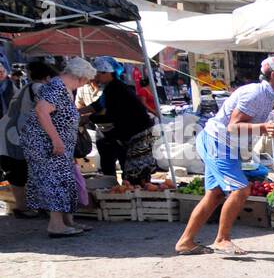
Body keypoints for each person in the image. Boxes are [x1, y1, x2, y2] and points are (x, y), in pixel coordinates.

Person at [175, 56, 274, 256]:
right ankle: (222, 240)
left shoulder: (266, 95)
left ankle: (185, 242)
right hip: (218, 143)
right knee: (241, 189)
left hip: (222, 144)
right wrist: (262, 127)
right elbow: (233, 126)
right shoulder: (256, 93)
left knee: (214, 195)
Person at [21, 56, 96, 237]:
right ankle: (56, 226)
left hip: (56, 144)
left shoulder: (64, 88)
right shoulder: (56, 87)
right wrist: (56, 140)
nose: (86, 83)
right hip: (46, 144)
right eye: (86, 80)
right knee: (56, 181)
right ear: (80, 77)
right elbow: (42, 110)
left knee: (65, 180)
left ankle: (67, 221)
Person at [85, 57, 157, 186]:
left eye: (97, 74)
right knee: (133, 168)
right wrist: (79, 113)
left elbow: (113, 115)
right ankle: (135, 191)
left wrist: (88, 119)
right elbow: (98, 105)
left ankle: (139, 194)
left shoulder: (116, 89)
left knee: (136, 169)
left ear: (106, 73)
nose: (95, 77)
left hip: (138, 131)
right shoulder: (111, 87)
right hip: (132, 131)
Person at [0, 61, 55, 219]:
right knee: (20, 169)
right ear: (48, 77)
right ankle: (26, 207)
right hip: (15, 136)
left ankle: (23, 207)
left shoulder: (25, 88)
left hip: (9, 133)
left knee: (18, 171)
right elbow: (46, 111)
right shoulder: (38, 88)